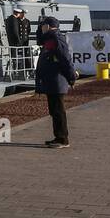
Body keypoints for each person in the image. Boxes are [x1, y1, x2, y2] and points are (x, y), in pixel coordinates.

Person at [34, 15, 78, 148]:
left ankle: (62, 139)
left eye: (43, 26)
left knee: (58, 111)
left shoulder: (55, 39)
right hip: (52, 81)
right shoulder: (49, 38)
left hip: (57, 81)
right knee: (54, 111)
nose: (42, 28)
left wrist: (71, 77)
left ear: (48, 26)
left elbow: (65, 59)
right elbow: (40, 41)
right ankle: (58, 137)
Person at [4, 7, 31, 76]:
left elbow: (28, 30)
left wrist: (24, 39)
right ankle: (16, 69)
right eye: (21, 13)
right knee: (15, 55)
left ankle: (26, 69)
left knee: (25, 55)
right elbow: (16, 31)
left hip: (24, 41)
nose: (23, 15)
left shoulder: (27, 21)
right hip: (18, 41)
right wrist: (19, 40)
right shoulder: (16, 20)